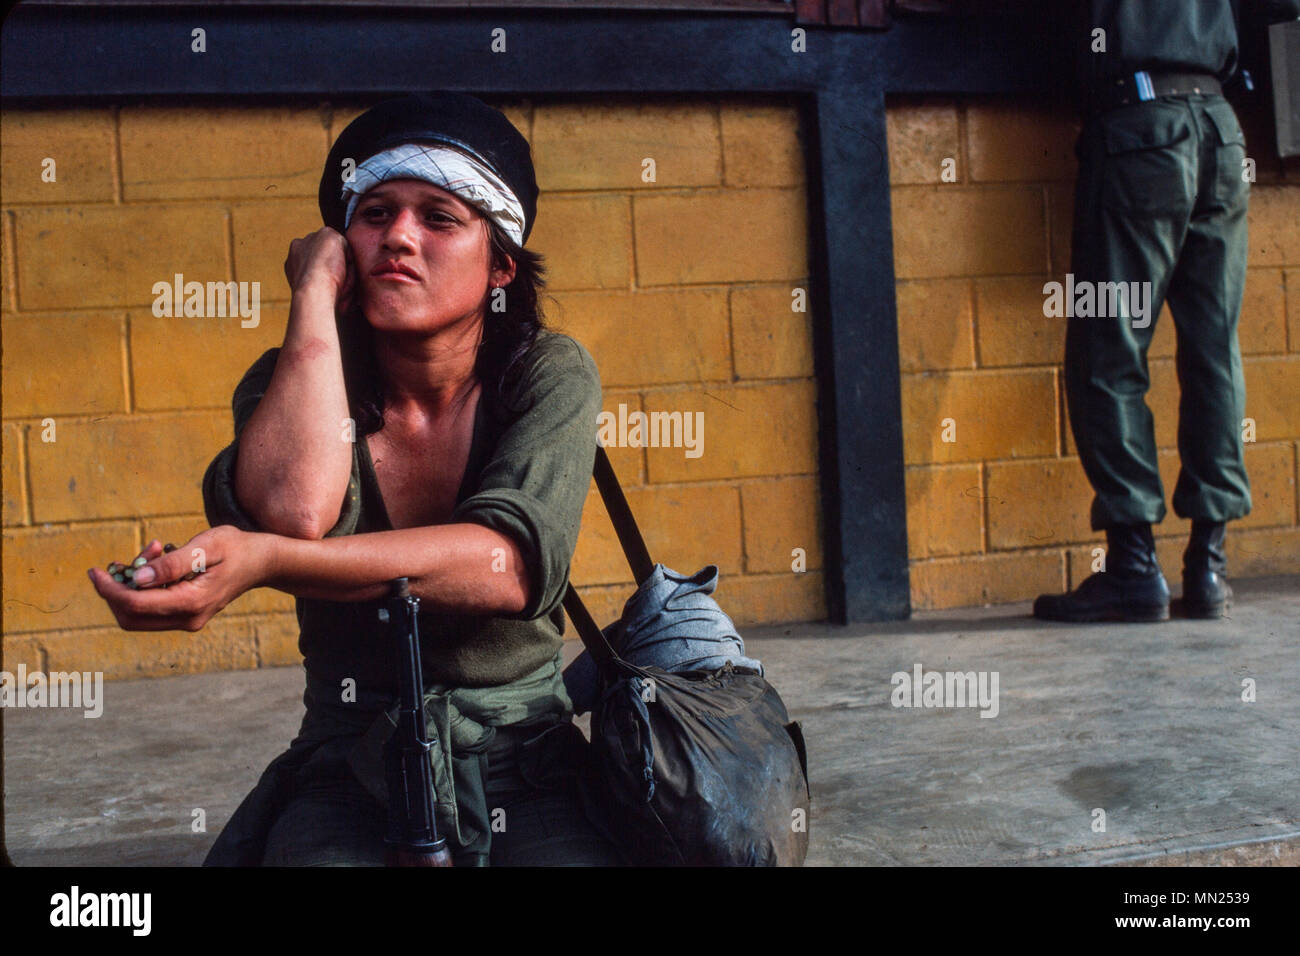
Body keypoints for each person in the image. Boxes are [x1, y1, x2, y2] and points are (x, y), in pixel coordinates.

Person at [87, 92, 624, 866]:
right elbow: (299, 512)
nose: (399, 237)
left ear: (501, 261)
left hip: (523, 752)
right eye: (373, 215)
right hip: (351, 759)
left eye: (440, 218)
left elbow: (506, 569)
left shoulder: (546, 373)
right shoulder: (288, 384)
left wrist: (263, 562)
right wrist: (311, 298)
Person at [1033, 0, 1300, 623]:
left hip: (1139, 127)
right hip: (1220, 126)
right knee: (1214, 350)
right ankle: (1209, 567)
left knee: (1110, 346)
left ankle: (1132, 567)